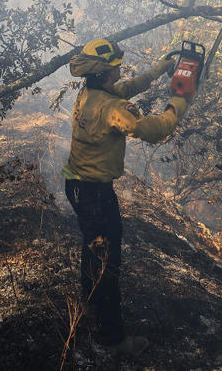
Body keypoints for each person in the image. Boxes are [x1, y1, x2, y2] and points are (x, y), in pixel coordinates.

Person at [61, 38, 192, 355]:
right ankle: (112, 339)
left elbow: (127, 87)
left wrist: (161, 68)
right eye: (116, 64)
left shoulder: (92, 94)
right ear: (107, 71)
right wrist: (179, 103)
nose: (121, 66)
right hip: (95, 193)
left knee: (93, 252)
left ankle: (90, 308)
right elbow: (153, 130)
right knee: (108, 263)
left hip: (77, 186)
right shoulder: (112, 108)